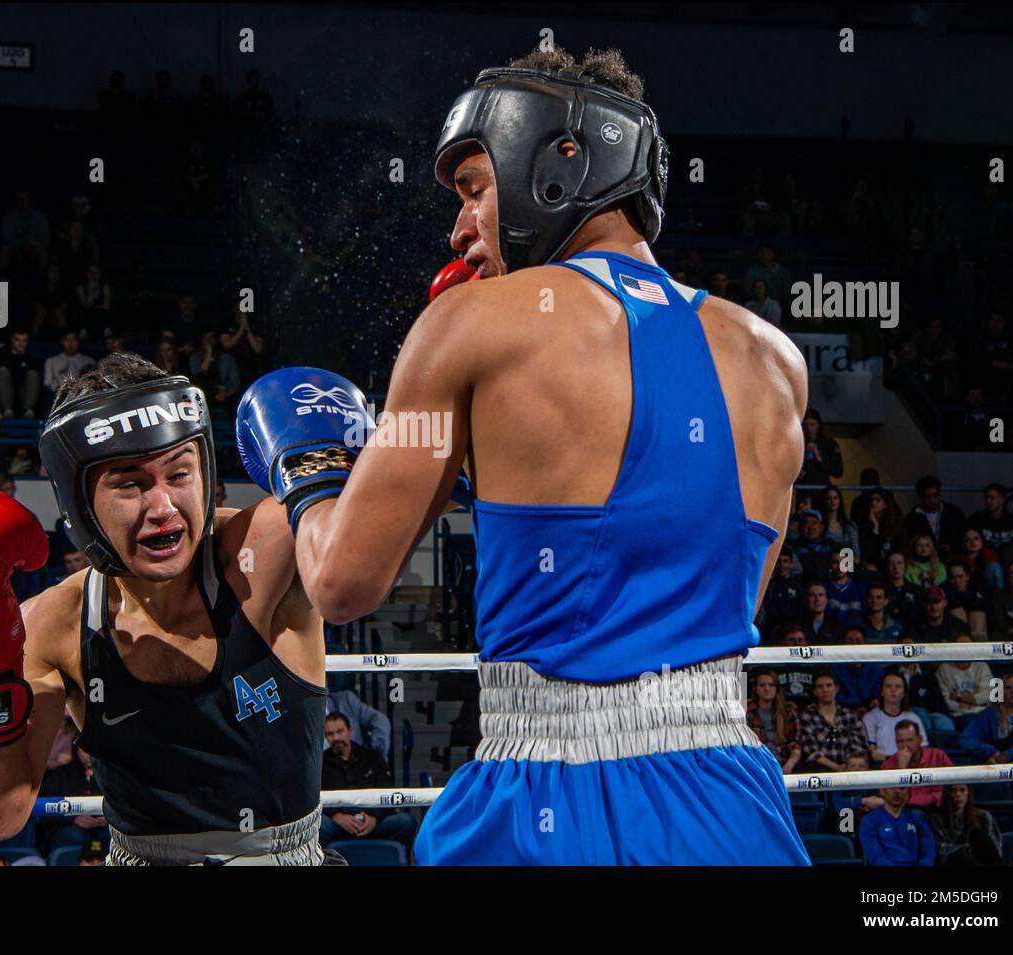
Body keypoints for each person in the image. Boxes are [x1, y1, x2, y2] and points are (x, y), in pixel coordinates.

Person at [238, 48, 808, 864]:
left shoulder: (472, 323)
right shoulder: (775, 363)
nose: (459, 226)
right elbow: (707, 597)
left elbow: (340, 582)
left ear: (557, 164)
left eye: (473, 188)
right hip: (731, 797)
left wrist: (309, 469)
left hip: (546, 792)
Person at [0, 352, 328, 865]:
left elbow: (380, 544)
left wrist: (326, 473)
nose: (163, 508)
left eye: (179, 473)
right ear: (80, 504)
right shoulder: (53, 624)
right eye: (129, 484)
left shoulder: (262, 548)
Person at [320, 712, 415, 847]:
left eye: (340, 731)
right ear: (325, 737)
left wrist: (374, 818)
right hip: (338, 825)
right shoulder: (319, 762)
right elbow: (311, 799)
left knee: (406, 821)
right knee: (320, 825)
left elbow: (387, 790)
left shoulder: (372, 756)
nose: (336, 738)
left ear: (350, 731)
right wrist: (335, 816)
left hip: (373, 823)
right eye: (330, 734)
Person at [960, 673, 1013, 764]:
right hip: (996, 762)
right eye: (1008, 688)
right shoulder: (989, 715)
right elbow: (967, 738)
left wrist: (1010, 755)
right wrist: (992, 752)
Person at [797, 671, 870, 772]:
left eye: (829, 685)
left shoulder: (851, 715)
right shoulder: (807, 716)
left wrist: (847, 765)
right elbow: (810, 751)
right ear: (814, 691)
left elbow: (859, 746)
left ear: (836, 689)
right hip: (819, 769)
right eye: (820, 686)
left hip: (850, 768)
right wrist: (836, 767)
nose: (825, 689)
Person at [879, 720, 951, 808]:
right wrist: (901, 769)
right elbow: (893, 800)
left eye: (910, 740)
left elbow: (955, 784)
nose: (905, 746)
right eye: (900, 741)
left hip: (938, 808)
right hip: (907, 810)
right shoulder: (888, 765)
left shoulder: (938, 755)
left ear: (920, 740)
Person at [860, 787, 936, 866]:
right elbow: (874, 855)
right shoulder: (869, 820)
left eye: (902, 788)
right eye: (892, 788)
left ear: (908, 791)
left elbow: (928, 850)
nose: (897, 792)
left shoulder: (918, 817)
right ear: (882, 791)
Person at [930, 783, 1002, 866]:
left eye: (962, 790)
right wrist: (966, 849)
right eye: (953, 791)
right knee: (960, 855)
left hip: (980, 860)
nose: (958, 794)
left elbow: (995, 846)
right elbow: (940, 849)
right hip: (954, 862)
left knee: (977, 834)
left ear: (969, 793)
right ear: (947, 794)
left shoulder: (984, 816)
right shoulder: (937, 819)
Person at [745, 669, 801, 773]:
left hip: (782, 762)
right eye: (762, 685)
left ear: (777, 689)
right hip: (756, 763)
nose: (767, 689)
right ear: (756, 689)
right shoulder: (746, 711)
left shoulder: (789, 712)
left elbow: (796, 745)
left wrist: (789, 765)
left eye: (771, 685)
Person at [863, 673, 927, 761]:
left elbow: (923, 748)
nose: (893, 690)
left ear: (904, 692)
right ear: (881, 691)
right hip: (881, 766)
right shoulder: (869, 718)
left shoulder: (914, 718)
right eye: (888, 686)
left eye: (898, 687)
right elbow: (873, 753)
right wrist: (892, 760)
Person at [935, 635, 994, 729]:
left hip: (983, 712)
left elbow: (989, 696)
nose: (964, 650)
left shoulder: (981, 666)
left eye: (967, 646)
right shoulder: (944, 669)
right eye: (960, 646)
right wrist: (974, 700)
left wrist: (958, 698)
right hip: (958, 715)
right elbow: (946, 701)